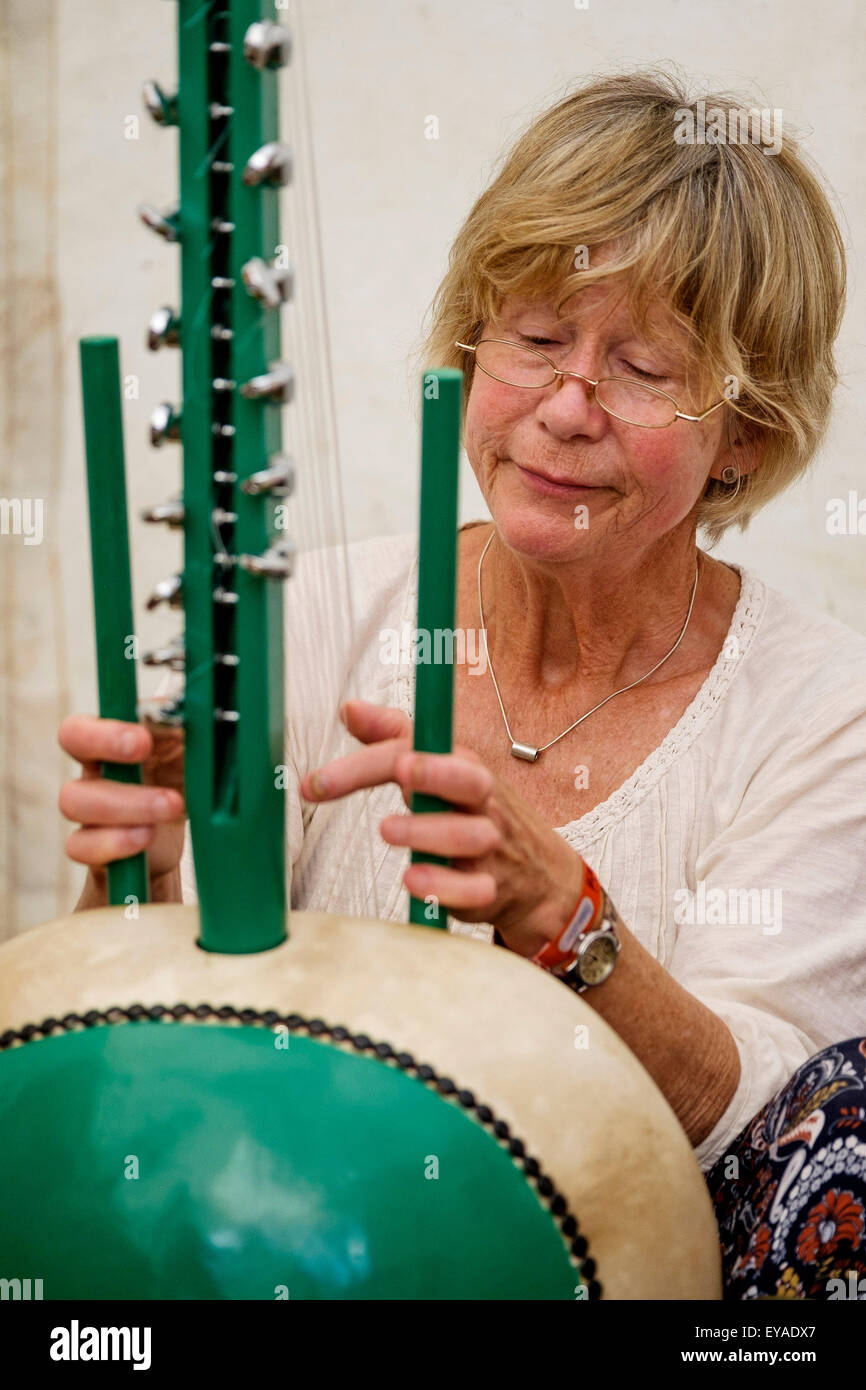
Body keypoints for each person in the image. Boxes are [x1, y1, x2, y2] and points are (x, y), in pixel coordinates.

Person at [58, 69, 866, 1299]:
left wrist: (569, 922)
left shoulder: (819, 707)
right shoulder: (315, 608)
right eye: (534, 338)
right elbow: (154, 1058)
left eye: (643, 367)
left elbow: (781, 1143)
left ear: (742, 433)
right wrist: (146, 877)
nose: (564, 406)